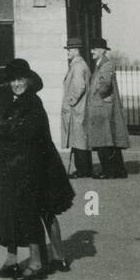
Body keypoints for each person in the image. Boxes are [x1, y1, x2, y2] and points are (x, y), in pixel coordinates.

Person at [0, 58, 74, 280]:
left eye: (20, 79)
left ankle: (42, 261)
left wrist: (5, 127)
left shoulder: (31, 103)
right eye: (13, 80)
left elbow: (21, 134)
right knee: (14, 210)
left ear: (28, 80)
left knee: (37, 211)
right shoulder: (13, 102)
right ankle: (18, 260)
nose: (17, 83)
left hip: (34, 165)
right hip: (16, 165)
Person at [84, 38, 129, 179]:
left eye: (95, 49)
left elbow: (105, 85)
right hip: (102, 108)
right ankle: (117, 171)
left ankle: (109, 171)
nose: (92, 51)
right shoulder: (101, 64)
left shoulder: (105, 65)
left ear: (103, 50)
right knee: (108, 141)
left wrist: (101, 96)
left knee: (103, 141)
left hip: (101, 109)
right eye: (92, 49)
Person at [60, 38, 92, 178]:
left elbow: (79, 86)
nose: (67, 51)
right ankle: (84, 169)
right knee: (80, 140)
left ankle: (83, 170)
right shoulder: (78, 64)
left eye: (69, 49)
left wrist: (70, 102)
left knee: (79, 140)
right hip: (79, 109)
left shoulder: (78, 66)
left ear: (75, 50)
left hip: (78, 110)